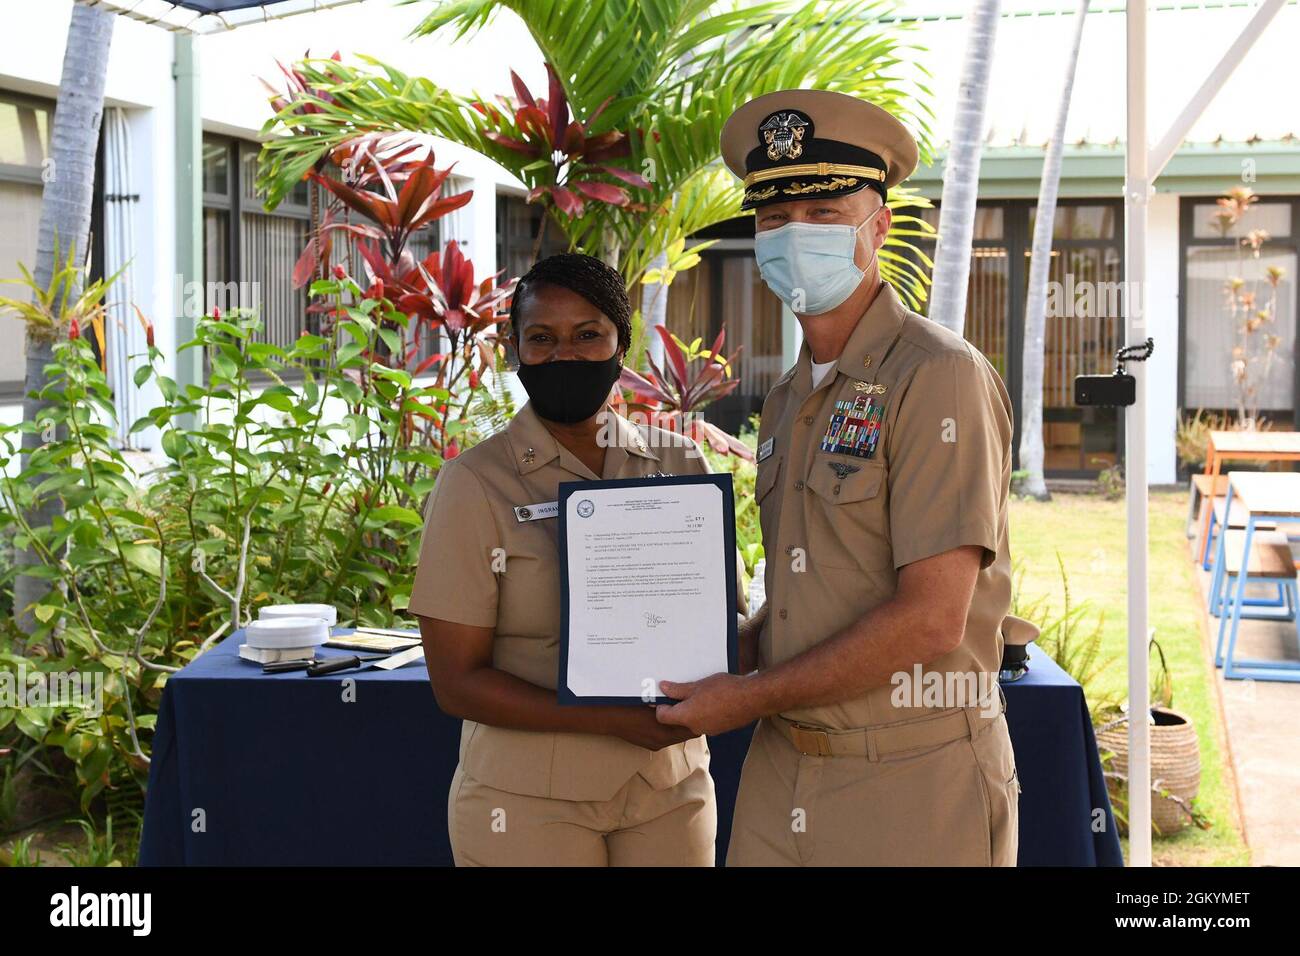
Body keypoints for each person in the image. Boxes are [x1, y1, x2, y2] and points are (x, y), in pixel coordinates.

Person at [655, 89, 1021, 866]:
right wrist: (733, 648)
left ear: (877, 228)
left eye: (824, 213)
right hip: (783, 765)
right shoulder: (791, 396)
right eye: (774, 218)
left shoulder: (938, 378)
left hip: (910, 773)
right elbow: (813, 592)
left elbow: (931, 620)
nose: (796, 236)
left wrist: (744, 698)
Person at [408, 253, 721, 866]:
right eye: (542, 338)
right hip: (526, 799)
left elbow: (717, 626)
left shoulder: (681, 465)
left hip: (670, 784)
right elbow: (456, 683)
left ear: (621, 346)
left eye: (587, 336)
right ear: (515, 350)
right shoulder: (474, 483)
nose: (565, 356)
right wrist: (611, 720)